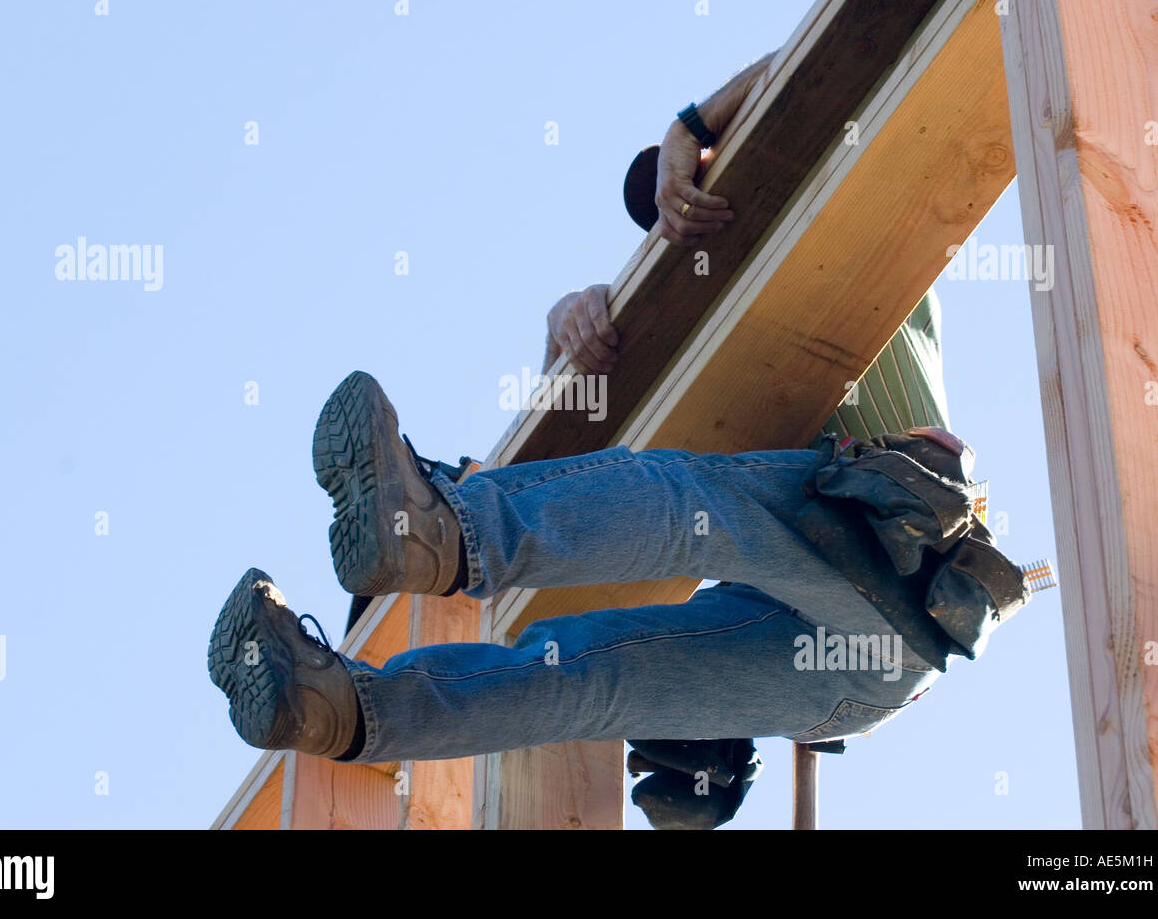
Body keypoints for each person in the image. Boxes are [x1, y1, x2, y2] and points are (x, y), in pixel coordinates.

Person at [207, 53, 1032, 827]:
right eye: (667, 211)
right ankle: (348, 710)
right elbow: (574, 474)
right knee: (582, 674)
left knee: (691, 503)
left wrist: (692, 128)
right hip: (817, 654)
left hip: (906, 582)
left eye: (697, 185)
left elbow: (843, 52)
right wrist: (565, 348)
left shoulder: (854, 229)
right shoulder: (689, 339)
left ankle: (440, 529)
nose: (683, 210)